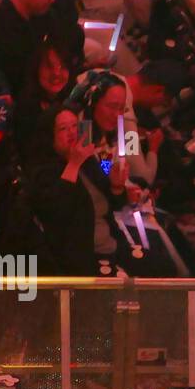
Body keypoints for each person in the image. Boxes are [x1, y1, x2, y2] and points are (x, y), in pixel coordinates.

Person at [25, 105, 127, 275]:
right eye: (63, 129)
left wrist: (116, 187)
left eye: (75, 126)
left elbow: (111, 205)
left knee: (161, 265)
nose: (72, 133)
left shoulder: (88, 162)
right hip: (81, 260)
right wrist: (74, 164)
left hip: (113, 245)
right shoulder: (43, 172)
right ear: (50, 136)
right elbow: (58, 214)